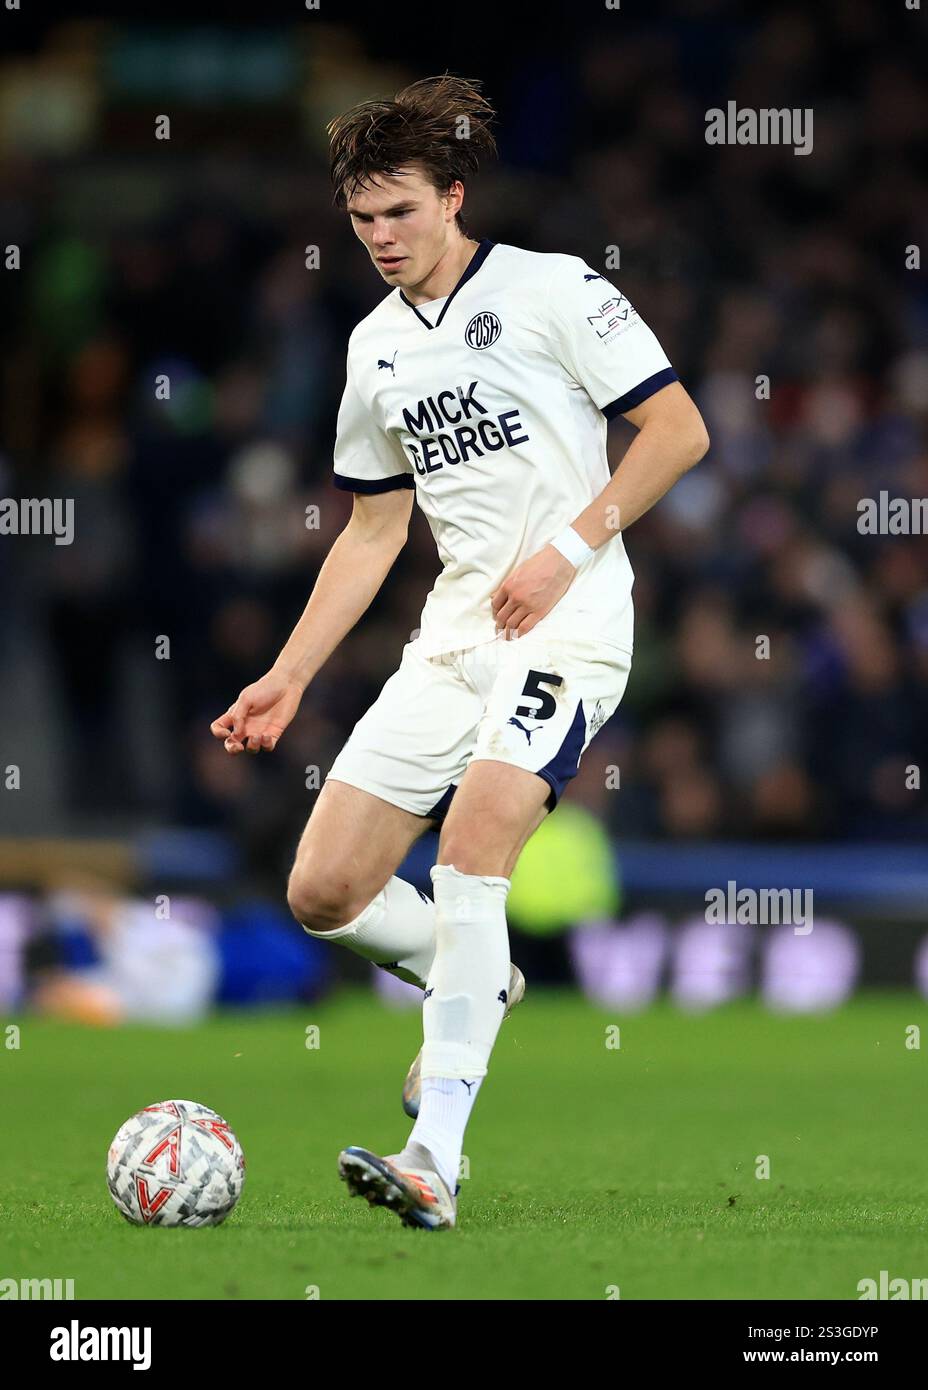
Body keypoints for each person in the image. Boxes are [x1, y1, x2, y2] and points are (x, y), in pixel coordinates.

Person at [211, 74, 709, 1230]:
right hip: (456, 635)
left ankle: (434, 1151)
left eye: (398, 213)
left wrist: (571, 548)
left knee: (475, 844)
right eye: (360, 221)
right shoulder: (373, 349)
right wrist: (288, 673)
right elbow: (374, 530)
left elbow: (677, 429)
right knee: (322, 888)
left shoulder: (552, 289)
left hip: (570, 624)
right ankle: (470, 974)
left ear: (452, 196)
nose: (379, 239)